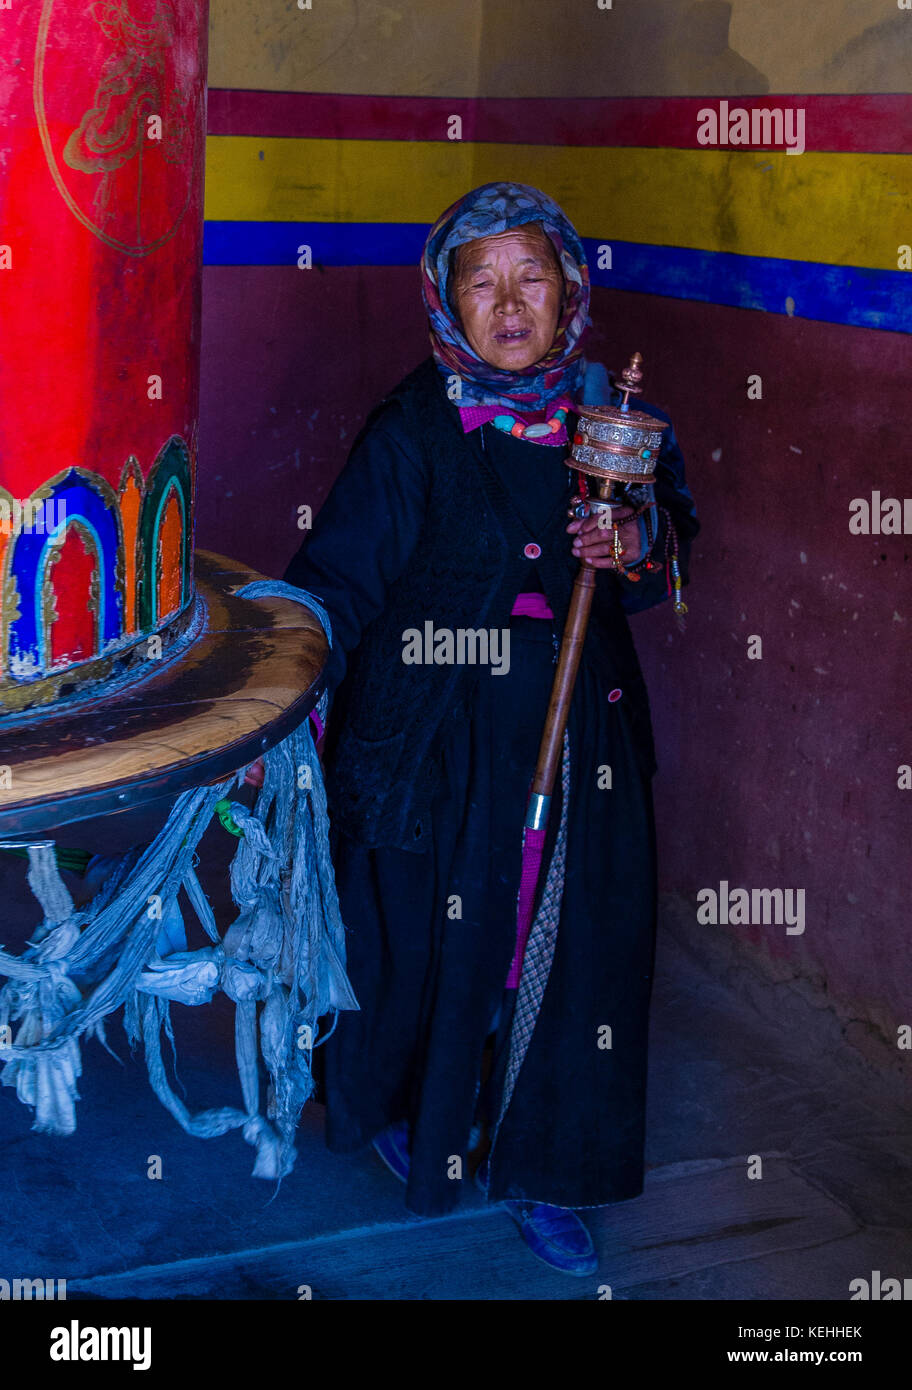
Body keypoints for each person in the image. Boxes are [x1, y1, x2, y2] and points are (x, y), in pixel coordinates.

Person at [282, 181, 699, 1276]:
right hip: (435, 737)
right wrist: (287, 675)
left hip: (581, 746)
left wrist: (635, 544)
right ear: (447, 300)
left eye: (531, 277)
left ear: (569, 290)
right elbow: (338, 579)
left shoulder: (616, 426)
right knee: (425, 938)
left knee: (569, 961)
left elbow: (667, 567)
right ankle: (403, 1113)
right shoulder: (413, 427)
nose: (509, 304)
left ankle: (546, 1172)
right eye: (483, 281)